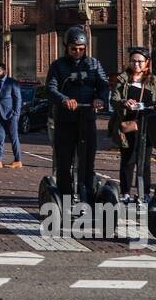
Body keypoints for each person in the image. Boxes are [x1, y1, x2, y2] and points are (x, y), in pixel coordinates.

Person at [46, 27, 110, 202]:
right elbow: (50, 89)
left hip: (87, 118)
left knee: (88, 161)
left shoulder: (94, 64)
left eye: (81, 49)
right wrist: (64, 100)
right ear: (66, 46)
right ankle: (65, 198)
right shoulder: (58, 66)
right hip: (65, 120)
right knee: (64, 161)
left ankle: (88, 195)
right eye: (74, 49)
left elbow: (104, 86)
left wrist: (100, 99)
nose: (77, 52)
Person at [108, 47, 156, 202]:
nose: (137, 64)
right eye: (133, 61)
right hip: (128, 125)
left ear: (146, 63)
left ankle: (144, 193)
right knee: (128, 159)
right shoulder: (123, 79)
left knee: (145, 161)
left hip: (146, 125)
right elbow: (113, 100)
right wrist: (124, 102)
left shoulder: (152, 80)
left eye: (140, 61)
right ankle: (125, 193)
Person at [0, 63, 23, 169]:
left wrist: (16, 114)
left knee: (14, 138)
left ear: (4, 71)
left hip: (11, 115)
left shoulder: (12, 82)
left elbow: (18, 98)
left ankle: (18, 160)